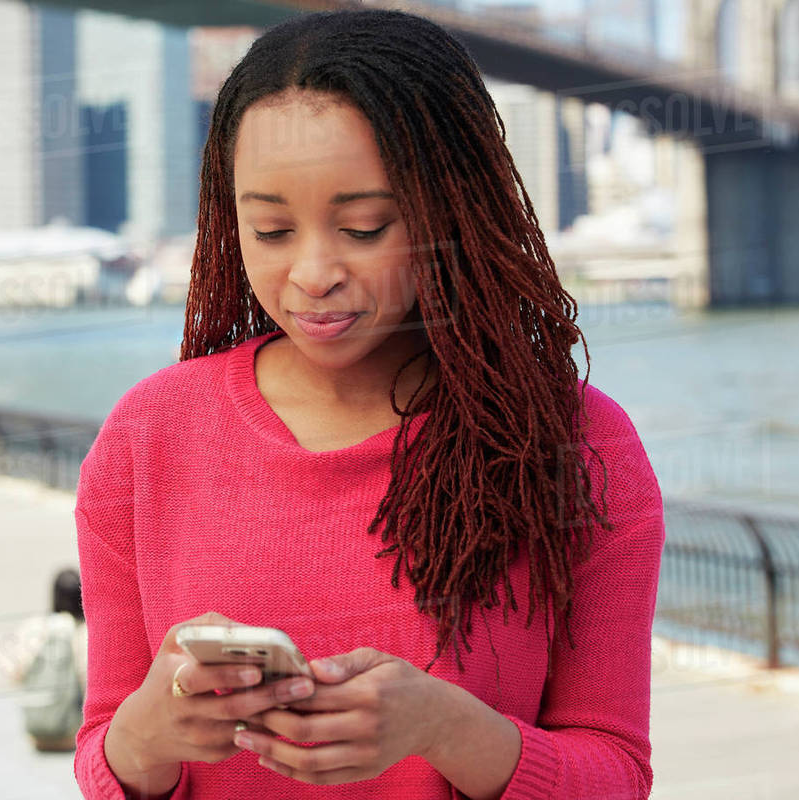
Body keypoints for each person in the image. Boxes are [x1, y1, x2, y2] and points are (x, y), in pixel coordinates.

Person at [72, 8, 664, 799]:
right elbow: (105, 753)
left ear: (454, 211)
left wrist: (447, 729)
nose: (314, 273)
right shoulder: (147, 438)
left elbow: (616, 773)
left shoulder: (577, 444)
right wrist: (145, 738)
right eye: (272, 231)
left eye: (363, 226)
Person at [0, 567, 88, 752]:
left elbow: (11, 672)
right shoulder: (86, 633)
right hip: (73, 735)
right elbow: (88, 682)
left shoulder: (34, 627)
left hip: (35, 733)